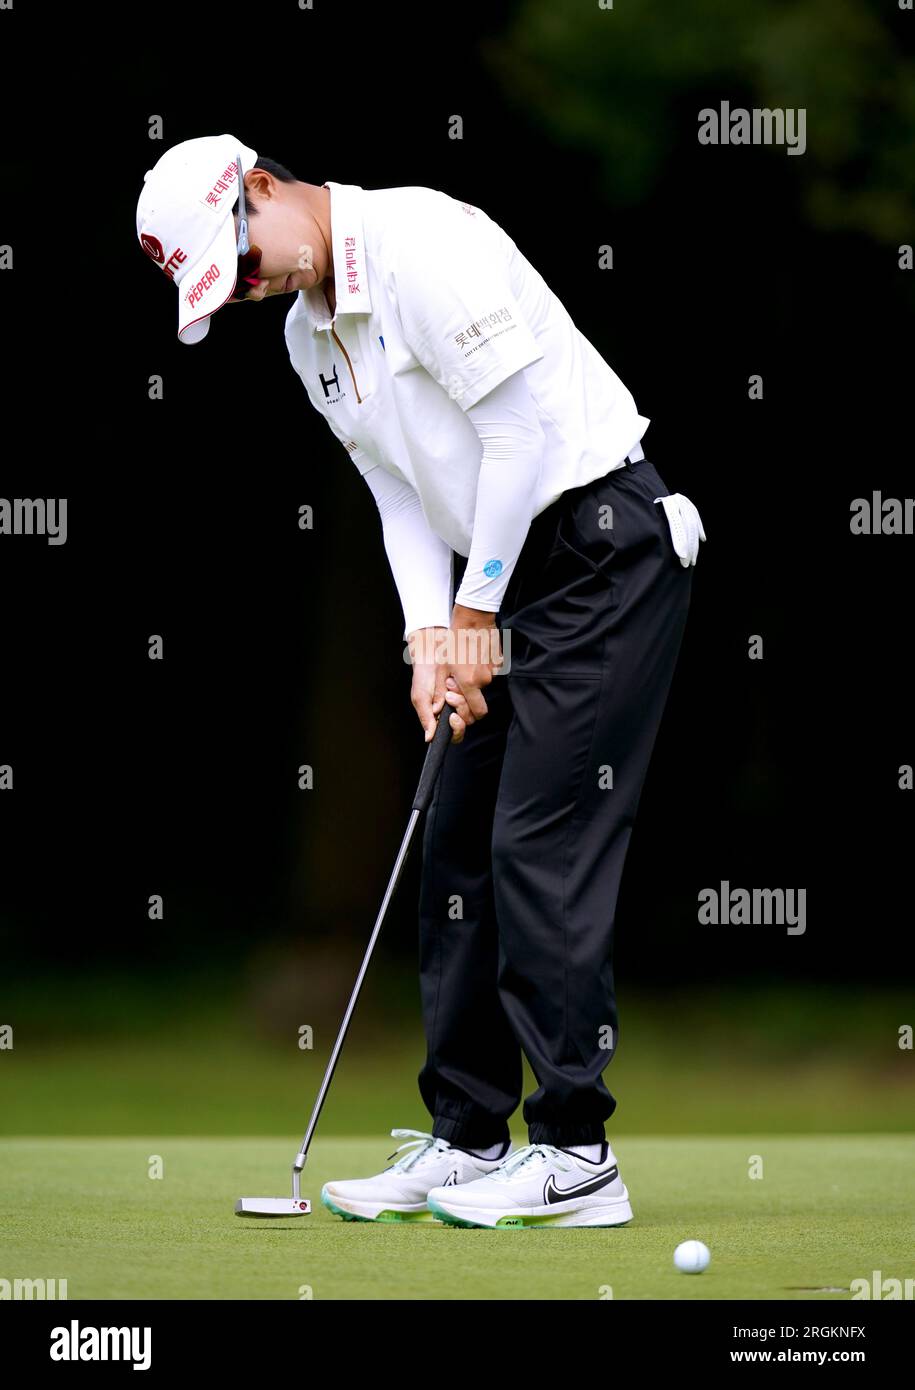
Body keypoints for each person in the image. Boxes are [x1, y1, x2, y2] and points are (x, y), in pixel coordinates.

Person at [136, 133, 706, 1229]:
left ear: (261, 190)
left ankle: (579, 1156)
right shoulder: (312, 339)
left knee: (540, 840)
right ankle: (467, 1134)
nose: (249, 290)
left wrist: (475, 613)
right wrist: (427, 639)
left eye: (241, 263)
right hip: (501, 574)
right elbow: (400, 496)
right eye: (228, 287)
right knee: (454, 838)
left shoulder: (421, 242)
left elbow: (517, 432)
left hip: (599, 542)